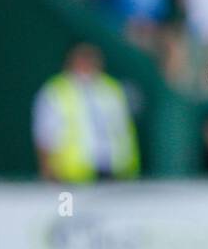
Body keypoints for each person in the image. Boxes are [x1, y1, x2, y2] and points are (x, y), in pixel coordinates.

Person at [33, 43, 139, 182]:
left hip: (116, 173)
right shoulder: (56, 91)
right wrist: (48, 173)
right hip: (74, 177)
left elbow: (124, 131)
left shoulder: (112, 88)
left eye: (91, 58)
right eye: (82, 58)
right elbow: (44, 136)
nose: (87, 63)